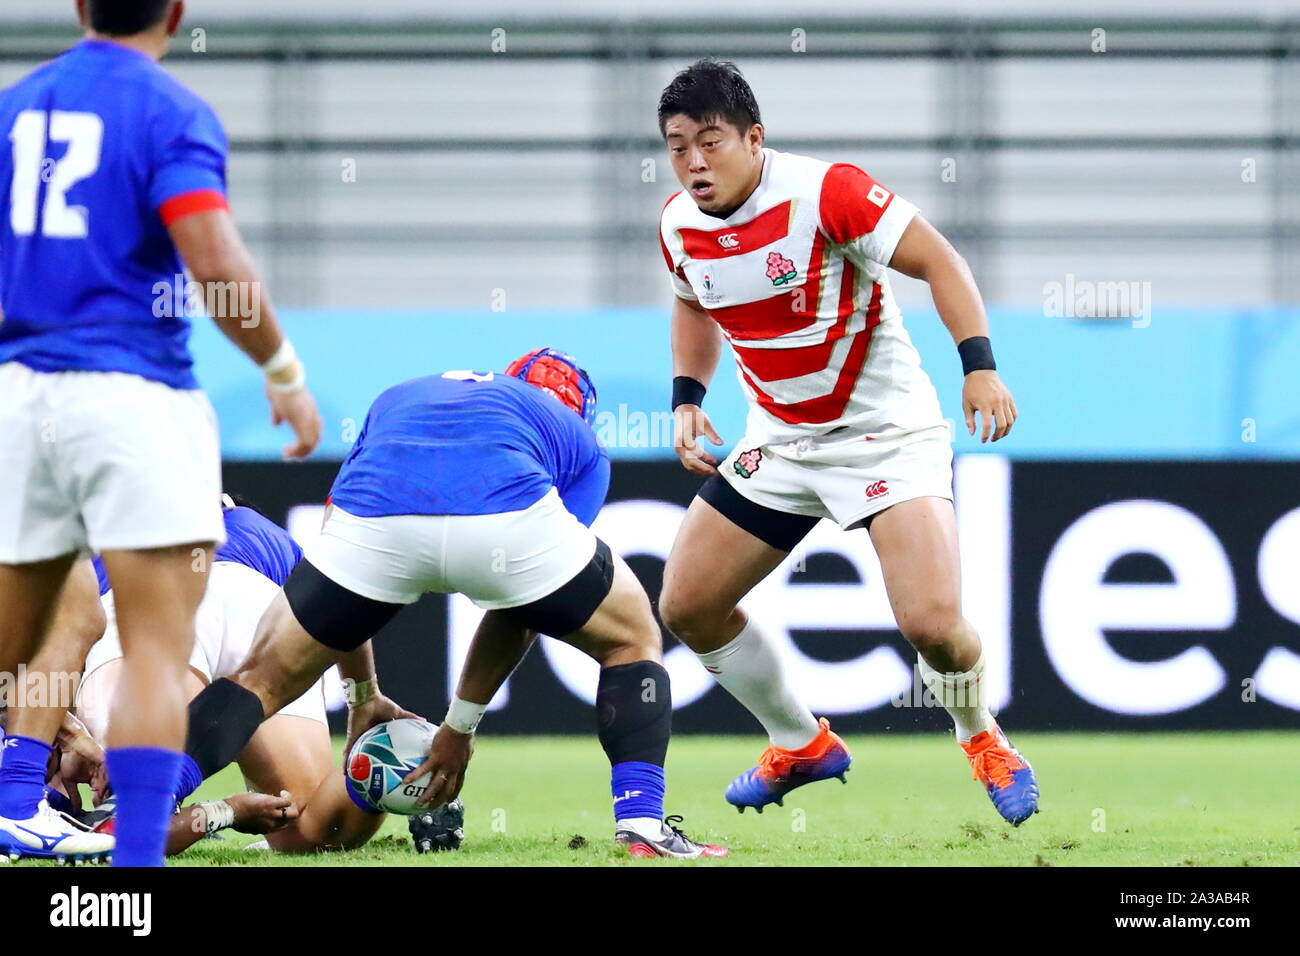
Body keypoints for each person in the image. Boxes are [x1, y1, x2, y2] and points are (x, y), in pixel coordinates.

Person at [655, 60, 1038, 825]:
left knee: (932, 625)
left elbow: (939, 260)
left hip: (886, 435)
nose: (694, 162)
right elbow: (693, 303)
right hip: (784, 443)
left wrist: (980, 368)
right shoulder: (677, 225)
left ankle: (982, 736)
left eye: (711, 141)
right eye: (676, 147)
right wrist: (688, 401)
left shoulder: (825, 193)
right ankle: (799, 742)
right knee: (688, 604)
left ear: (753, 139)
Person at [177, 351, 728, 858]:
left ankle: (133, 812)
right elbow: (523, 607)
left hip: (374, 524)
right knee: (631, 638)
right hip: (501, 530)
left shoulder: (402, 396)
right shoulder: (577, 441)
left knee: (258, 680)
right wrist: (458, 729)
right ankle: (642, 827)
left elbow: (336, 554)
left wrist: (362, 696)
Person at [0, 0, 321, 866]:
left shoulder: (16, 106)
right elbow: (213, 261)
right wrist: (283, 373)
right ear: (176, 12)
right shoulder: (170, 110)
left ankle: (12, 794)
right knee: (153, 650)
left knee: (28, 626)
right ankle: (131, 876)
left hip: (21, 389)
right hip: (134, 397)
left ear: (77, 7)